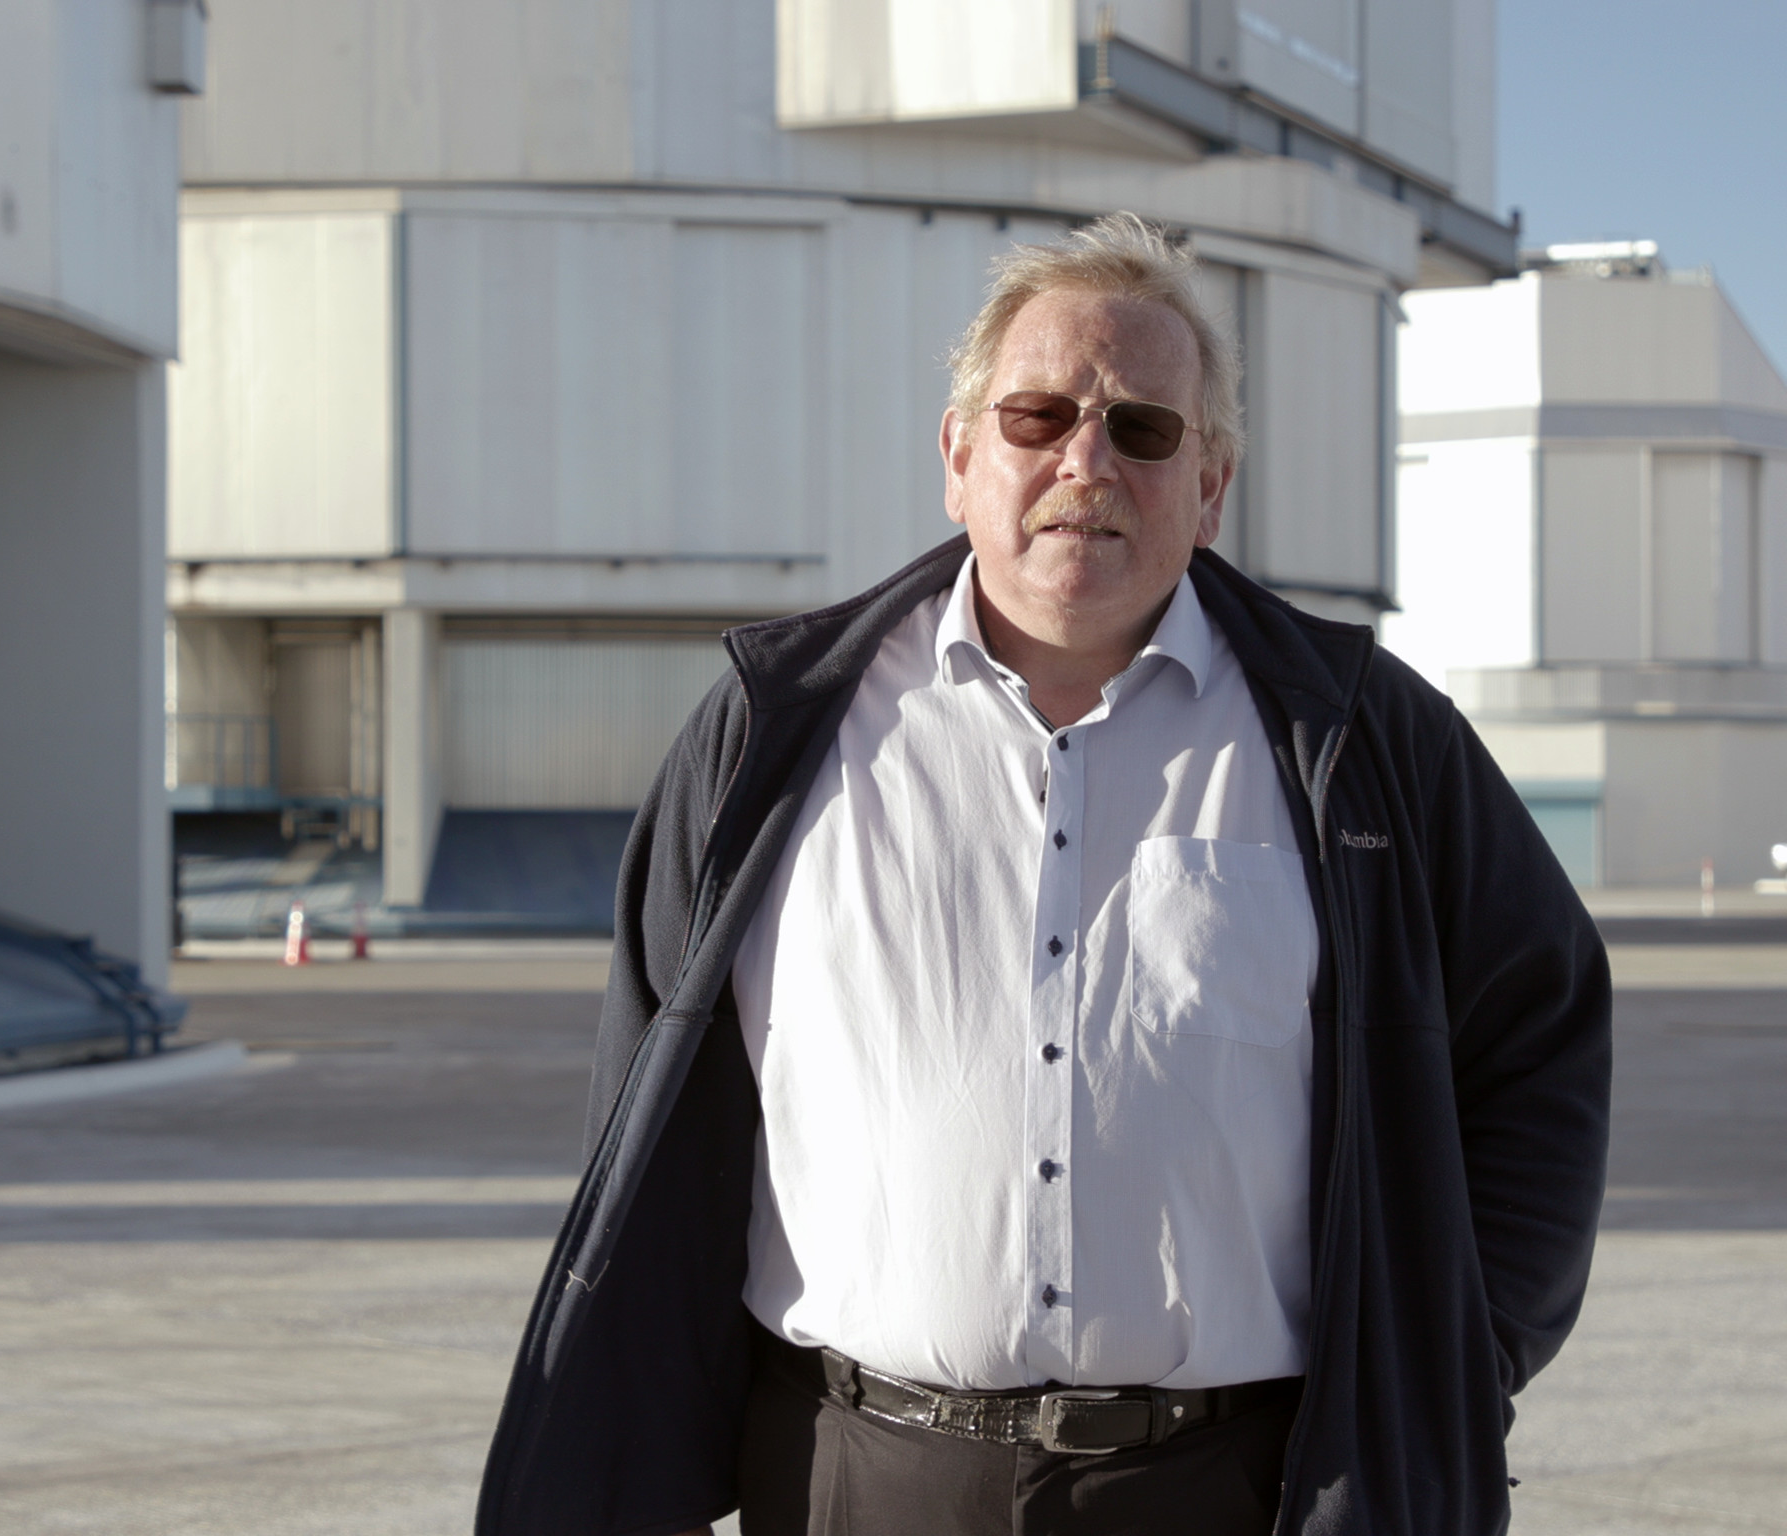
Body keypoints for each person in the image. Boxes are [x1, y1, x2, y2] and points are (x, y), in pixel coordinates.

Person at [477, 214, 1611, 1536]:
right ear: (960, 456)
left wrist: (1450, 1365)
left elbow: (1542, 1041)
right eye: (1037, 416)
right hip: (856, 1474)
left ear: (1212, 484)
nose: (1088, 460)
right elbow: (649, 1115)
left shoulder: (1363, 740)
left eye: (1144, 430)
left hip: (1233, 1485)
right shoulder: (770, 734)